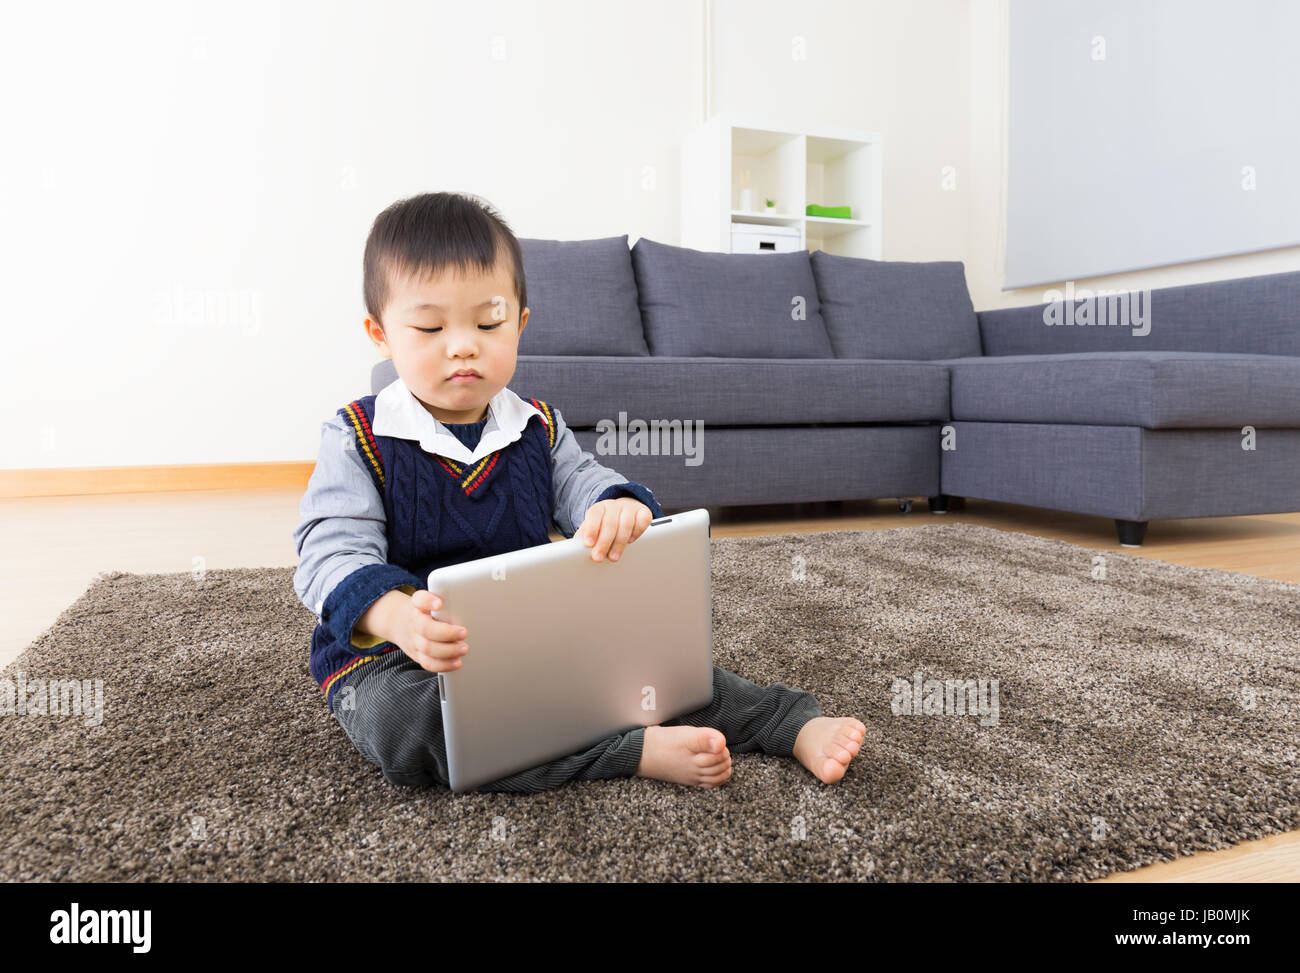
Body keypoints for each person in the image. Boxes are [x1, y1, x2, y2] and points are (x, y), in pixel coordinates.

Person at [291, 191, 865, 792]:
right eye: (431, 326)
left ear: (520, 324)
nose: (463, 344)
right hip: (394, 660)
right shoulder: (355, 435)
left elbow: (583, 482)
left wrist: (616, 505)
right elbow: (329, 552)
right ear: (380, 335)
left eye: (488, 323)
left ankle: (791, 723)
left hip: (528, 640)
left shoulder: (538, 425)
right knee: (407, 728)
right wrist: (396, 616)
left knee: (668, 676)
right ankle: (628, 750)